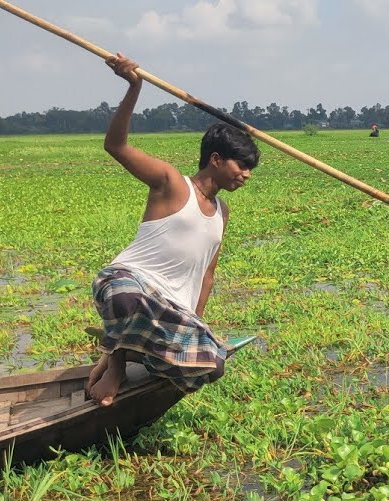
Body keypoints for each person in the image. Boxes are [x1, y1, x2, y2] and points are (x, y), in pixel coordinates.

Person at [85, 53, 260, 406]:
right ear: (215, 159)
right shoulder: (171, 182)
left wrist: (197, 326)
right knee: (125, 298)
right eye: (241, 165)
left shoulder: (223, 212)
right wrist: (134, 87)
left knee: (212, 365)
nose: (246, 175)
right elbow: (115, 146)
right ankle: (116, 362)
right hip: (129, 283)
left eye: (250, 169)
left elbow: (207, 275)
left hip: (170, 308)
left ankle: (126, 347)